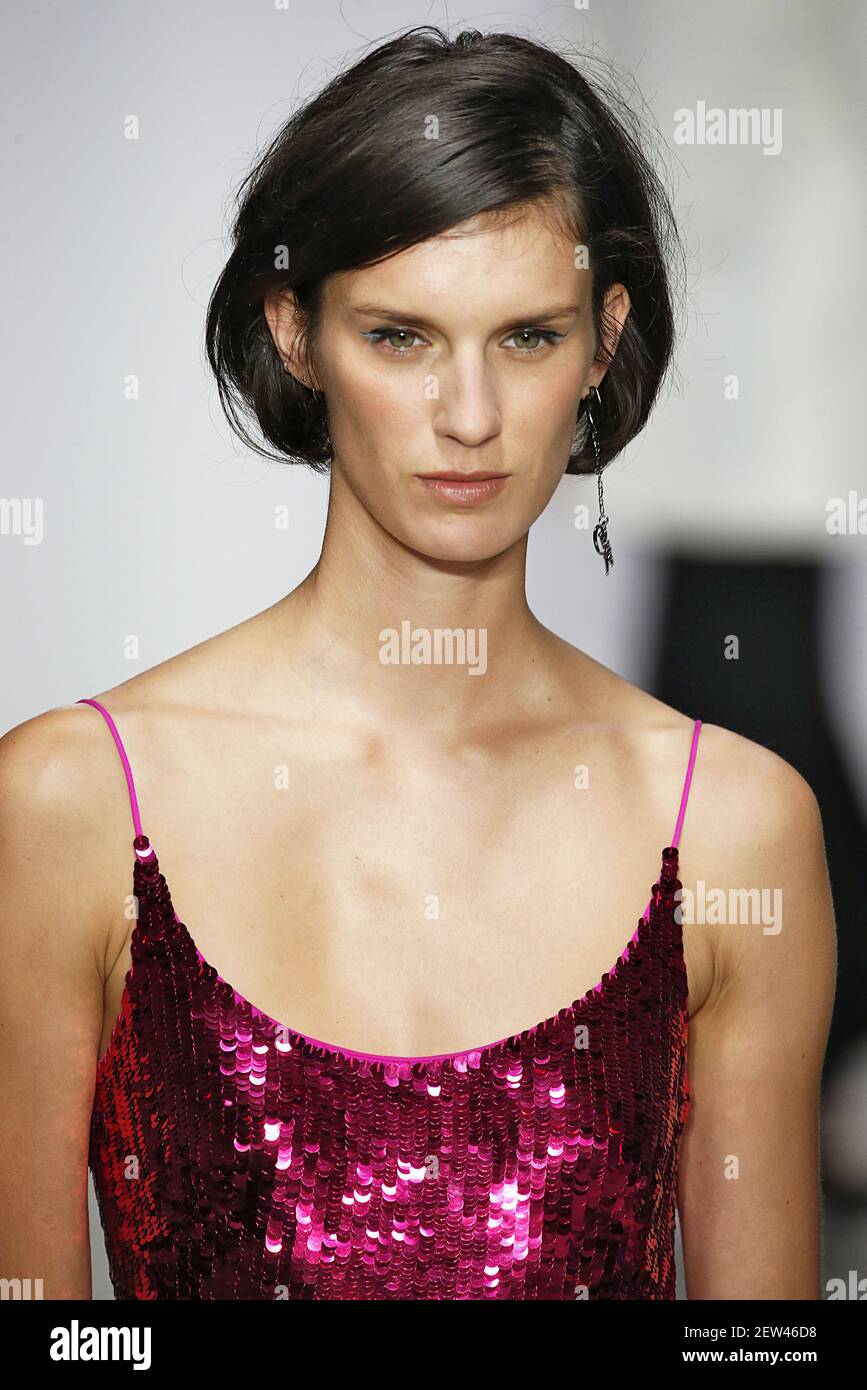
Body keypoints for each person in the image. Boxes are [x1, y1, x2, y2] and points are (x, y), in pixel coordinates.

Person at [0, 26, 835, 1300]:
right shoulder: (72, 805)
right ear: (294, 333)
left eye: (527, 337)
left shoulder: (732, 829)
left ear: (605, 343)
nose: (470, 416)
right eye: (400, 336)